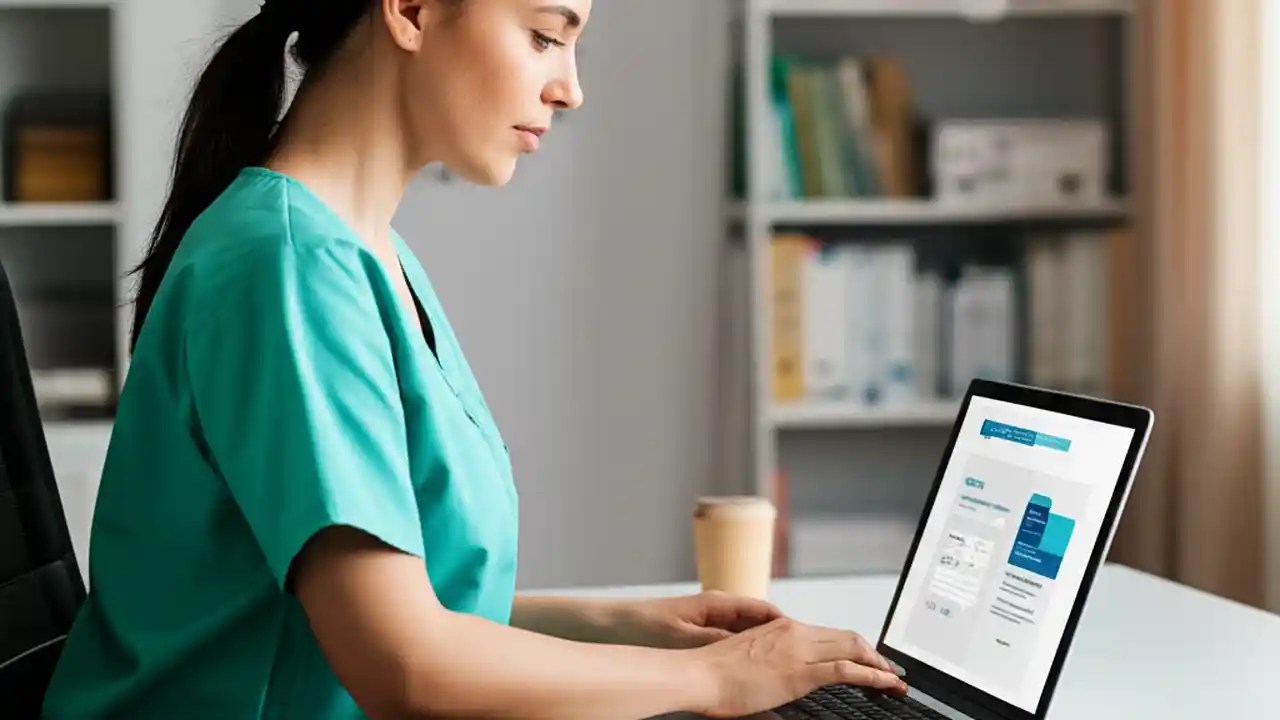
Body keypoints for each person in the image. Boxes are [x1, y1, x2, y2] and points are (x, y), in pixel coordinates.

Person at [42, 1, 907, 717]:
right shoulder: (287, 266)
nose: (570, 89)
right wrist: (718, 681)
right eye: (544, 35)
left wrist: (623, 624)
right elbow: (404, 668)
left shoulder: (362, 252)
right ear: (412, 11)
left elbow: (382, 609)